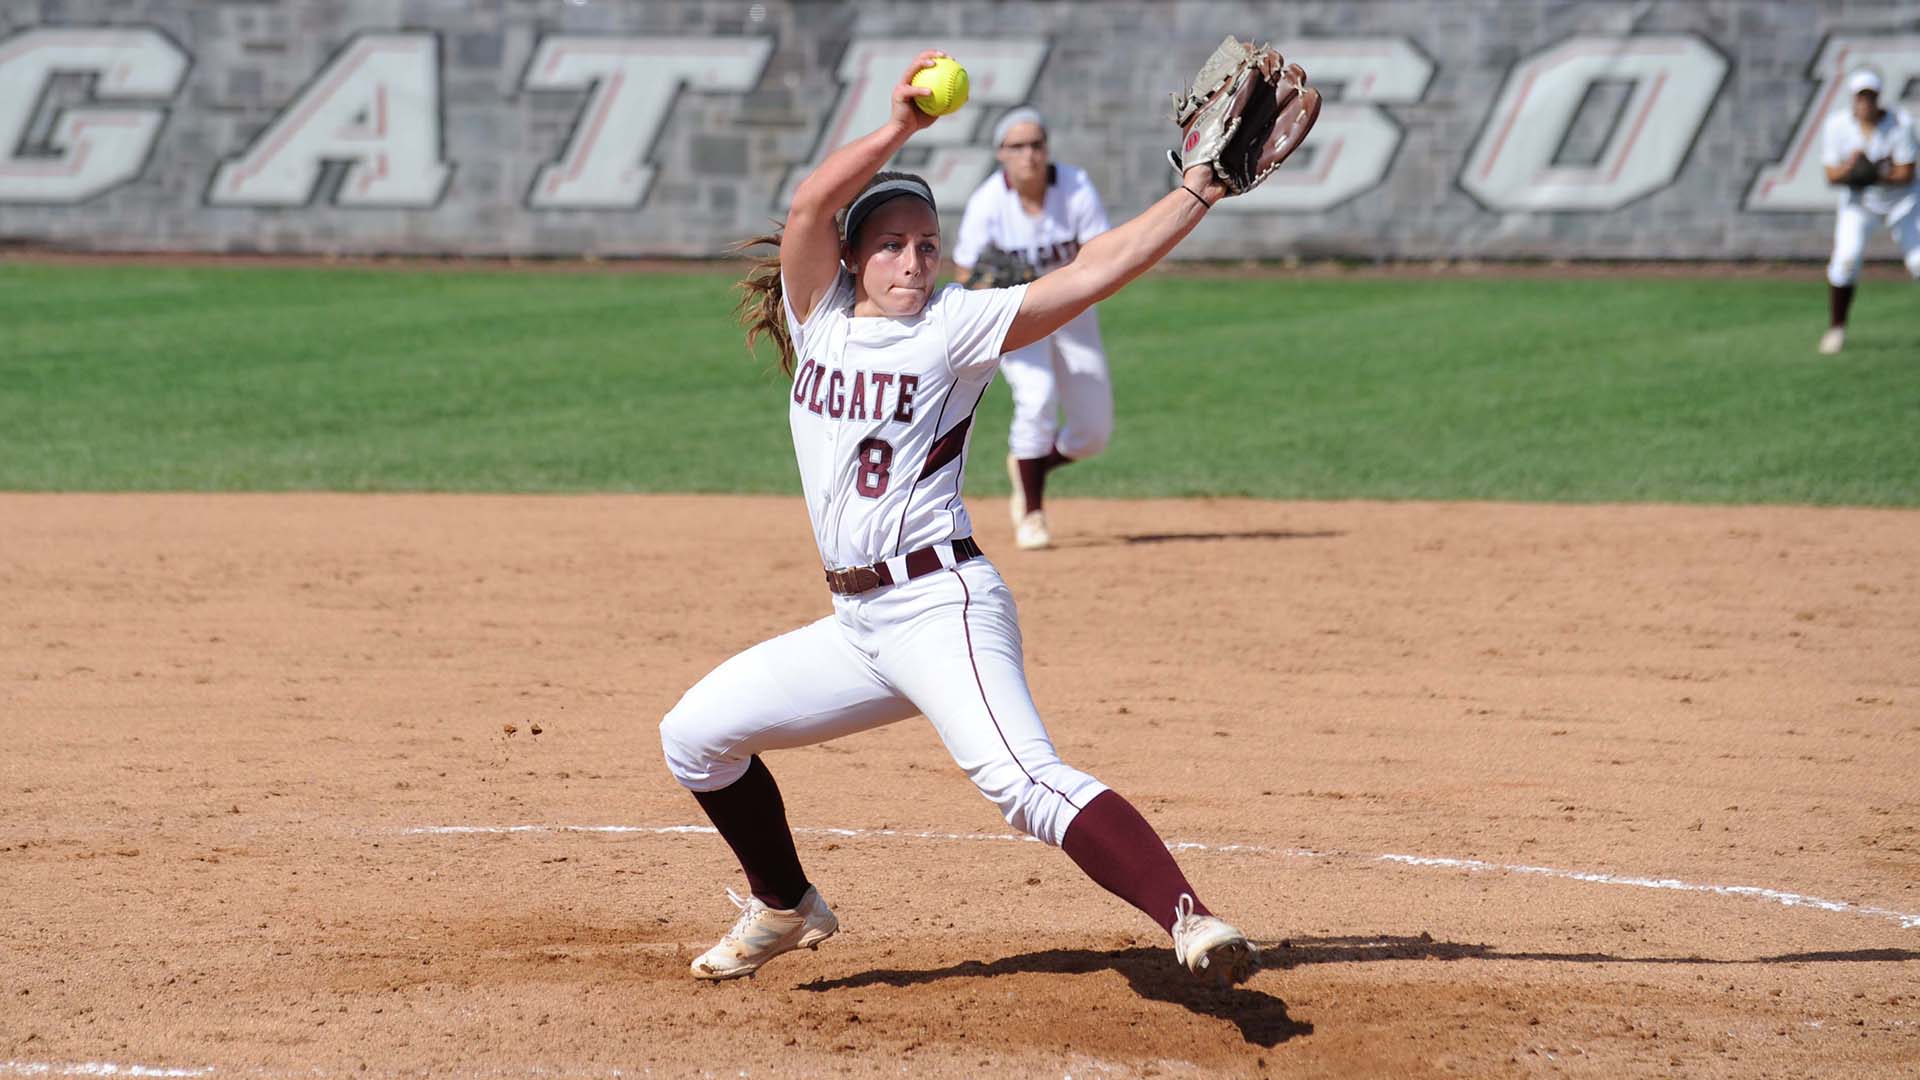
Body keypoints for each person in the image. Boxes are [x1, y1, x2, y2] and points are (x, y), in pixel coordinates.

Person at [659, 50, 1262, 985]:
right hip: (857, 627)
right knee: (694, 737)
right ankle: (784, 904)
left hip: (942, 607)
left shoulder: (954, 327)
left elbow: (1091, 273)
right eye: (891, 244)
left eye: (927, 245)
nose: (913, 260)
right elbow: (813, 204)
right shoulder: (819, 317)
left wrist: (1196, 194)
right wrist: (902, 126)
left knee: (1023, 781)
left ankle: (1192, 920)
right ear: (852, 257)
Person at [953, 107, 1114, 550]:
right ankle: (1032, 515)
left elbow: (1101, 252)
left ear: (1047, 148)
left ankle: (1031, 464)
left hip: (1074, 310)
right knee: (1037, 398)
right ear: (1001, 153)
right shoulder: (988, 202)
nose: (1029, 154)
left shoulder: (1075, 186)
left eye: (1036, 144)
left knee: (1092, 434)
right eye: (1017, 146)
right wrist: (991, 283)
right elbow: (965, 272)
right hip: (1018, 315)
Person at [1818, 68, 1920, 355]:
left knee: (1919, 262)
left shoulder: (1900, 123)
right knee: (1846, 259)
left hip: (1902, 202)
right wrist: (1853, 168)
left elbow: (1906, 174)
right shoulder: (1837, 125)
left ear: (1878, 98)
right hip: (1860, 202)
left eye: (1870, 97)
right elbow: (1831, 175)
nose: (1865, 103)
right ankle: (1836, 329)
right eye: (1860, 97)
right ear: (1853, 99)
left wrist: (1873, 171)